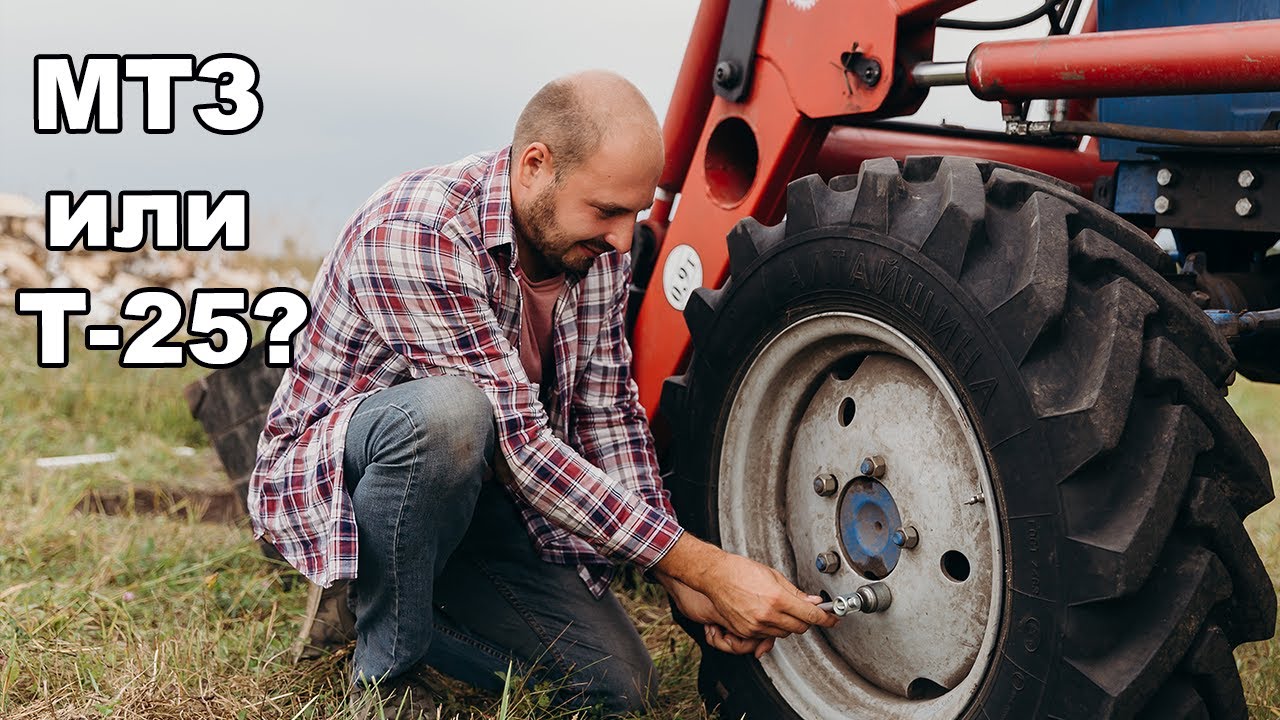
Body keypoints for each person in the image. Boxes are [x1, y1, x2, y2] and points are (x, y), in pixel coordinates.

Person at [249, 69, 836, 719]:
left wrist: (676, 577)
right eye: (608, 210)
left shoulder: (597, 250)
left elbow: (606, 412)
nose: (622, 238)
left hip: (487, 496)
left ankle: (384, 591)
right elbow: (520, 444)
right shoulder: (421, 227)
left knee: (619, 688)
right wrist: (705, 567)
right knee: (451, 414)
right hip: (361, 471)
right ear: (536, 166)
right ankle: (386, 672)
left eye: (634, 213)